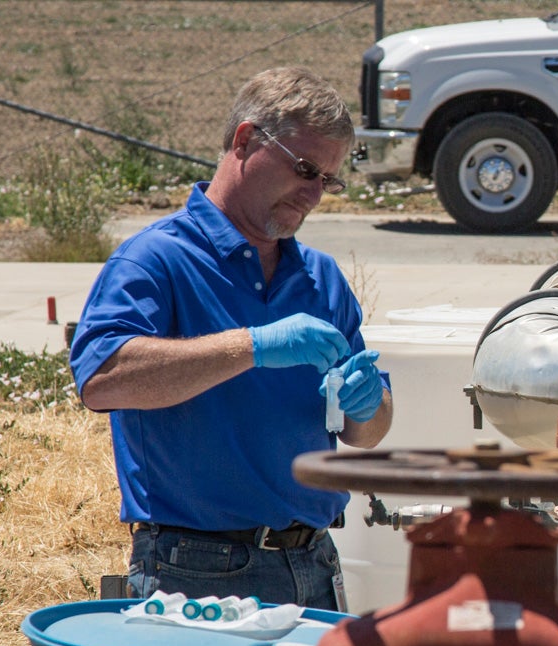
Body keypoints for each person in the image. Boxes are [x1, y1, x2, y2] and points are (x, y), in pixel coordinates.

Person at [70, 67, 389, 611]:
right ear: (245, 141)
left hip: (312, 564)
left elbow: (368, 432)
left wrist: (369, 403)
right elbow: (102, 380)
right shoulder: (156, 259)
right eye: (305, 169)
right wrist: (253, 347)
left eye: (328, 180)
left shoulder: (321, 277)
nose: (315, 194)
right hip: (193, 569)